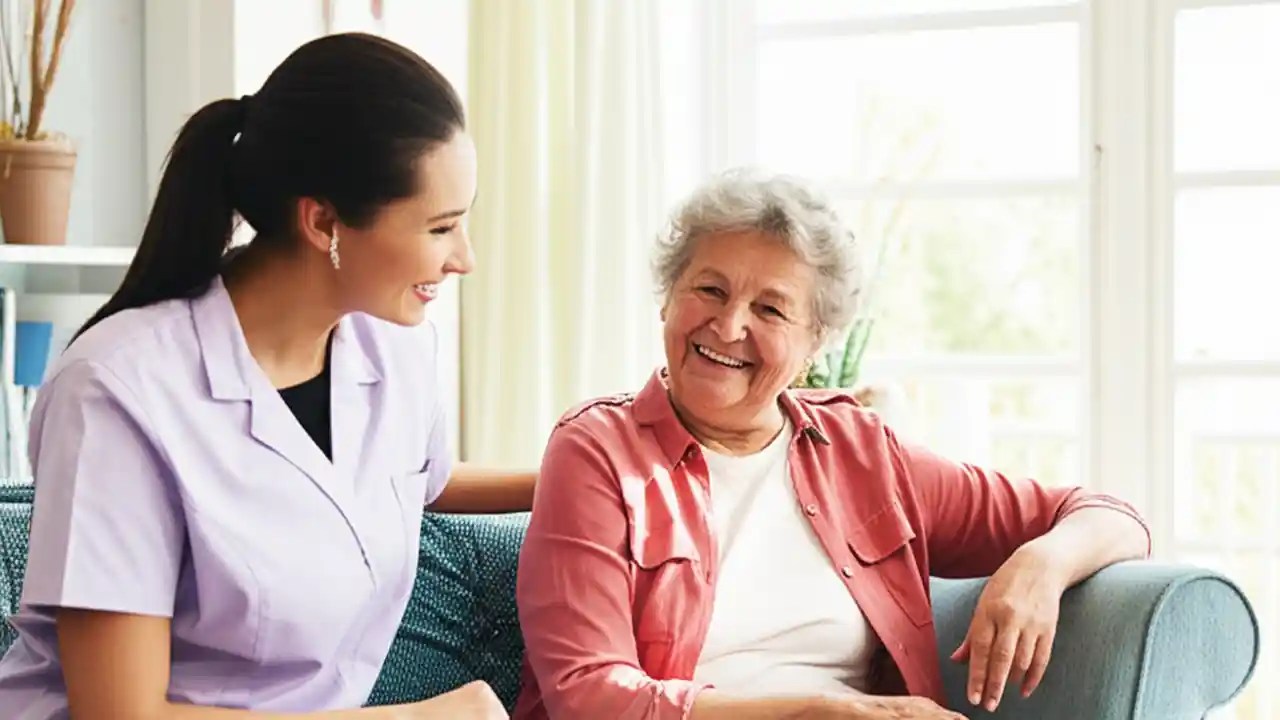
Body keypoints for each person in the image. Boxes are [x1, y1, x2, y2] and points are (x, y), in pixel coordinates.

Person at [0, 33, 531, 719]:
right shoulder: (118, 392)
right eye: (441, 228)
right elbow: (122, 713)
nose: (466, 257)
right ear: (323, 222)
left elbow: (413, 481)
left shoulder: (396, 350)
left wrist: (585, 473)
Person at [512, 169, 1151, 720]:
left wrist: (1041, 566)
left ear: (816, 343)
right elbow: (588, 696)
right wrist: (817, 709)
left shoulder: (863, 454)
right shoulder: (597, 450)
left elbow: (1112, 518)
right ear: (668, 299)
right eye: (709, 289)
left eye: (770, 309)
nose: (728, 325)